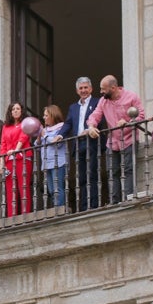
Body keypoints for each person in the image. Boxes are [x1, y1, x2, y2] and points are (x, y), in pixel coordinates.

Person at [86, 75, 144, 203]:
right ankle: (114, 201)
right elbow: (95, 115)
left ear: (113, 88)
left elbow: (141, 115)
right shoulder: (103, 101)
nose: (101, 91)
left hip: (129, 139)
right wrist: (91, 127)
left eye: (103, 89)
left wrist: (128, 122)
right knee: (112, 172)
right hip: (112, 142)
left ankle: (129, 198)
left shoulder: (131, 96)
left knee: (129, 169)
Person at [57, 77, 103, 211]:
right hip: (79, 144)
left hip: (92, 141)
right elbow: (68, 123)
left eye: (86, 87)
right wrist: (60, 135)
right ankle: (84, 205)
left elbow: (100, 119)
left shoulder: (97, 102)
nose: (83, 90)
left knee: (92, 173)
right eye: (81, 88)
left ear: (91, 89)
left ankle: (93, 204)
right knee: (82, 176)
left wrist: (89, 129)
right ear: (77, 91)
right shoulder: (73, 107)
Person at [0, 102, 33, 216]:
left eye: (18, 108)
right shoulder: (5, 126)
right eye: (13, 109)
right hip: (9, 161)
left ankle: (25, 214)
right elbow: (3, 145)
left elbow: (23, 137)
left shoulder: (25, 123)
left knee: (23, 187)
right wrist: (1, 164)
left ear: (21, 111)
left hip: (23, 158)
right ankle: (11, 216)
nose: (15, 110)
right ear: (10, 112)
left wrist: (16, 150)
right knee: (10, 190)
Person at [37, 105, 68, 207]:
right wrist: (39, 137)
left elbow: (58, 144)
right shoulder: (45, 130)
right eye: (44, 115)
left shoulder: (62, 127)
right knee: (51, 190)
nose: (44, 117)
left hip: (58, 162)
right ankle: (56, 208)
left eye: (46, 115)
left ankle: (59, 209)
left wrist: (45, 136)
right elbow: (37, 147)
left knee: (57, 188)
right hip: (46, 163)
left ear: (53, 115)